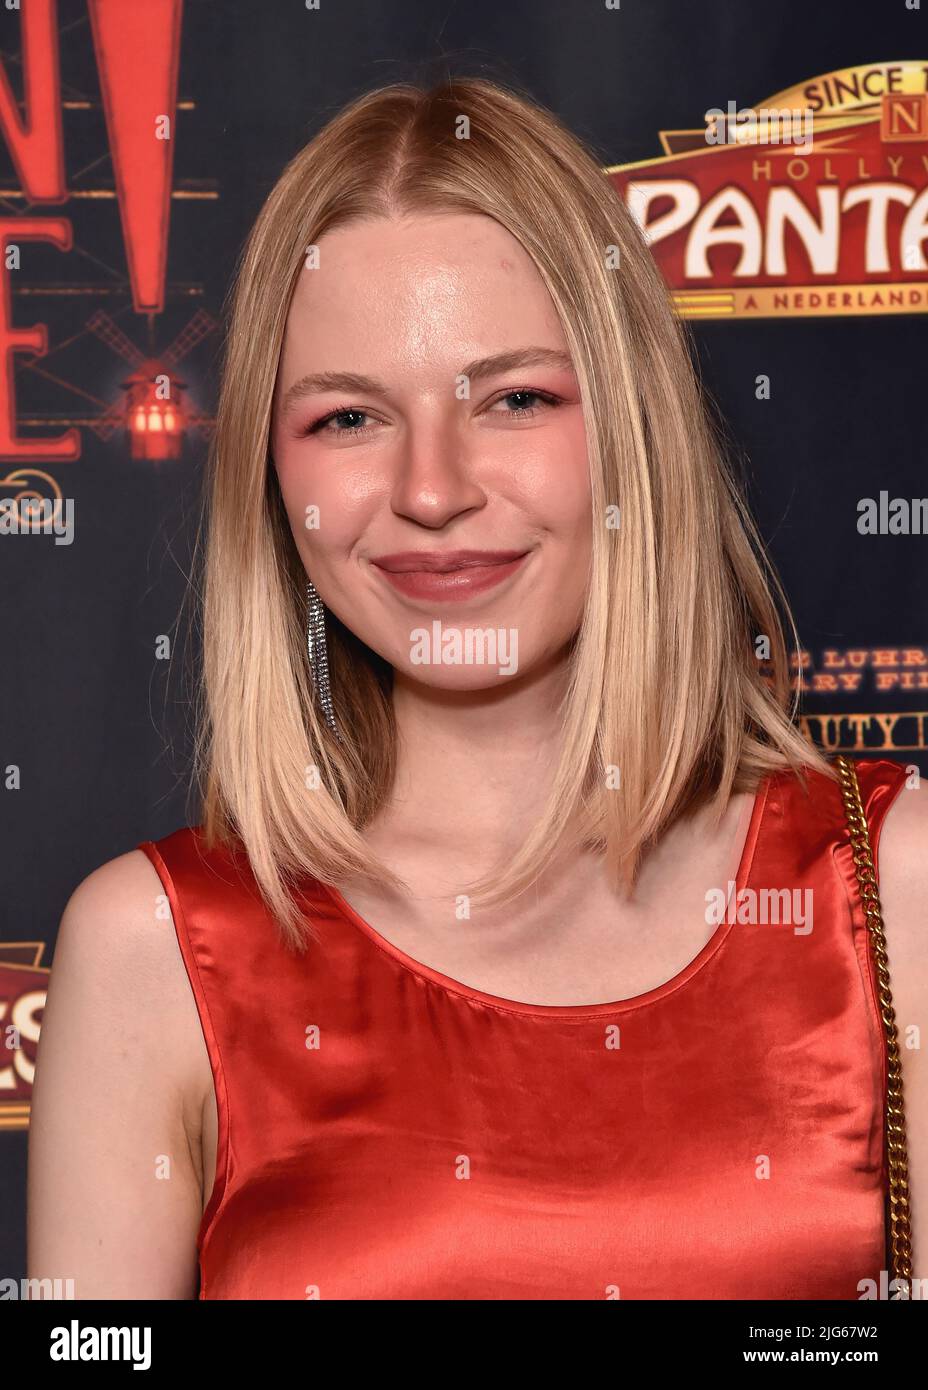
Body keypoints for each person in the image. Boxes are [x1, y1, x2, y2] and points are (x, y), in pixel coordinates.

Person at [27, 76, 926, 1300]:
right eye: (348, 418)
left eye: (514, 398)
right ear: (272, 482)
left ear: (632, 426)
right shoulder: (155, 948)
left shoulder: (893, 889)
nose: (433, 488)